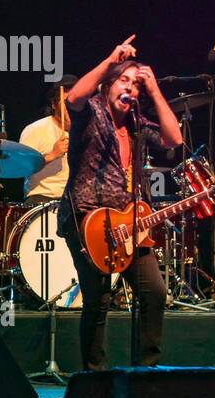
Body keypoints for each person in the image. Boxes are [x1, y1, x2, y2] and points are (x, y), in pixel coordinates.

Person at [57, 36, 183, 370]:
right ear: (109, 86)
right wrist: (110, 60)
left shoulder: (137, 125)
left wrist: (154, 91)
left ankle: (145, 372)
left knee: (153, 293)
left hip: (129, 223)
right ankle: (94, 378)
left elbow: (175, 139)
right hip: (87, 219)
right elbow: (74, 97)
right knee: (98, 302)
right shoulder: (93, 113)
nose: (130, 89)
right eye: (123, 81)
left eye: (135, 85)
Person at [19, 74, 78, 206]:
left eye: (75, 103)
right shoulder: (35, 129)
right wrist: (52, 155)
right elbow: (21, 167)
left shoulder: (85, 131)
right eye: (66, 103)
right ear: (54, 104)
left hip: (75, 203)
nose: (71, 108)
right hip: (42, 201)